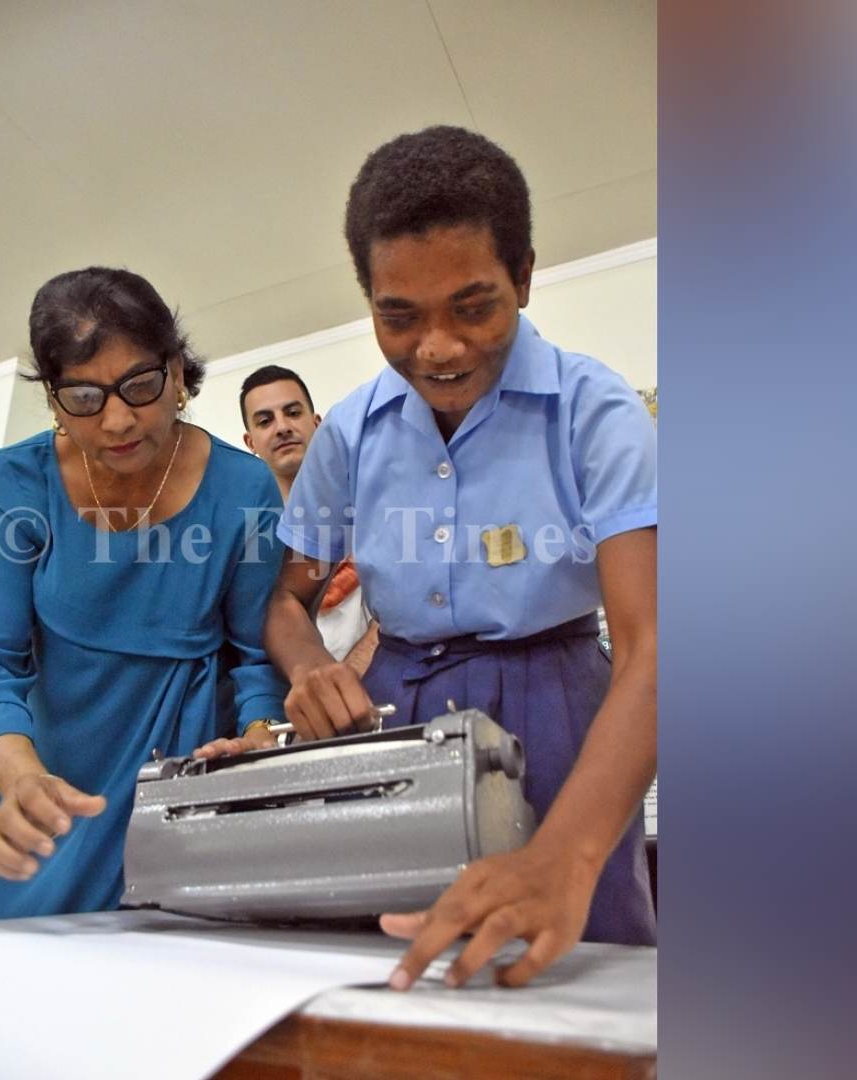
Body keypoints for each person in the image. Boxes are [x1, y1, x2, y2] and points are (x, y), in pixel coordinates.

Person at [257, 126, 660, 988]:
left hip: (558, 704)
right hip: (390, 712)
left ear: (523, 275)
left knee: (579, 964)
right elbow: (287, 601)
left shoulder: (596, 412)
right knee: (380, 964)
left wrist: (569, 854)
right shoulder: (350, 436)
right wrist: (308, 669)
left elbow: (653, 644)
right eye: (398, 316)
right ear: (368, 297)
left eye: (473, 306)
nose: (436, 347)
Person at [0, 266, 288, 921]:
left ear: (178, 373)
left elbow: (254, 658)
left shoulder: (244, 489)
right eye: (84, 397)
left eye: (140, 384)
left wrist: (257, 737)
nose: (118, 419)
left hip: (183, 818)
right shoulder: (16, 485)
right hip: (47, 816)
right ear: (53, 399)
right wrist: (20, 781)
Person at [236, 365, 379, 671]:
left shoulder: (374, 505)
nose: (282, 427)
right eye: (265, 421)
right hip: (291, 693)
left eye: (292, 412)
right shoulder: (246, 538)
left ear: (317, 423)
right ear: (250, 443)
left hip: (387, 673)